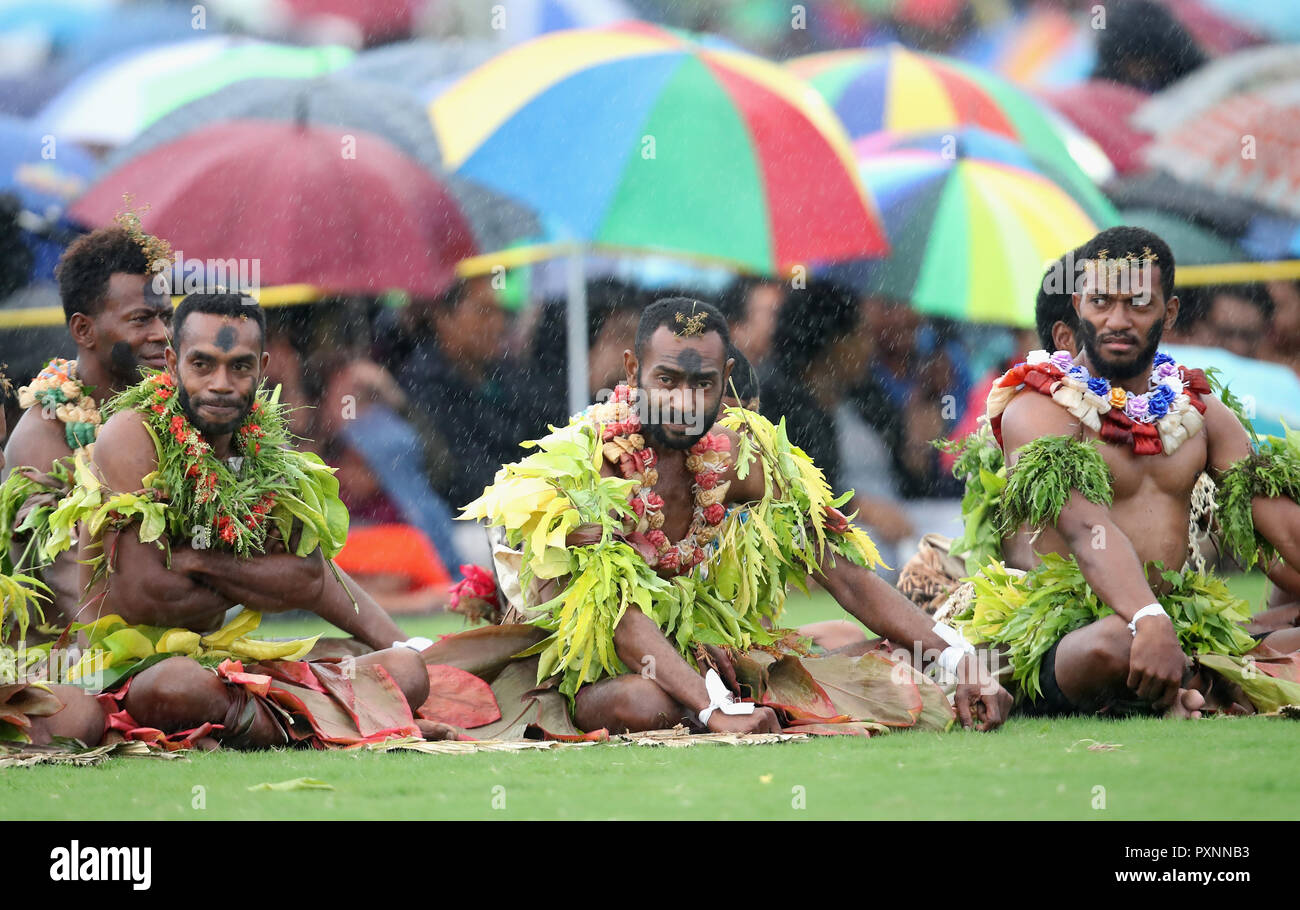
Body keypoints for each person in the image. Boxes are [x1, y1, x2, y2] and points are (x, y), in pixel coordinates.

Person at [462, 297, 1012, 735]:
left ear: (726, 379)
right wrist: (712, 708)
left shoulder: (744, 460)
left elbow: (842, 571)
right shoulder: (587, 469)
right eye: (667, 380)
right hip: (583, 668)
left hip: (700, 651)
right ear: (633, 369)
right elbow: (620, 621)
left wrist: (955, 657)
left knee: (880, 647)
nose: (683, 401)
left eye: (701, 384)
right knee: (646, 699)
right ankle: (717, 697)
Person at [953, 226, 1300, 718]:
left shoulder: (1200, 412)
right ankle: (1196, 683)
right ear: (1078, 305)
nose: (1118, 319)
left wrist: (1162, 622)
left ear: (1169, 311)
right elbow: (1085, 527)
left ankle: (1189, 682)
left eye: (1138, 304)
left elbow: (1276, 523)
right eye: (1101, 302)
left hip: (1175, 622)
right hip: (1069, 636)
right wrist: (1147, 617)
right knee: (1118, 641)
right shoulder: (1037, 409)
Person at [1, 220, 173, 631]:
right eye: (141, 319)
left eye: (166, 317)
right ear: (84, 329)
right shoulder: (43, 437)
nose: (163, 334)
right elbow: (83, 594)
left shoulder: (175, 409)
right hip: (82, 665)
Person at [760, 280, 915, 551]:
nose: (870, 348)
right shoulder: (780, 406)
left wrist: (918, 453)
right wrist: (858, 507)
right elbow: (790, 487)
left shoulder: (867, 396)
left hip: (900, 522)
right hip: (828, 536)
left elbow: (910, 479)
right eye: (861, 335)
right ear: (834, 342)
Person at [714, 274, 785, 368]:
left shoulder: (784, 370)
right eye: (768, 312)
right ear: (736, 327)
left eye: (780, 312)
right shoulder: (715, 371)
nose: (776, 321)